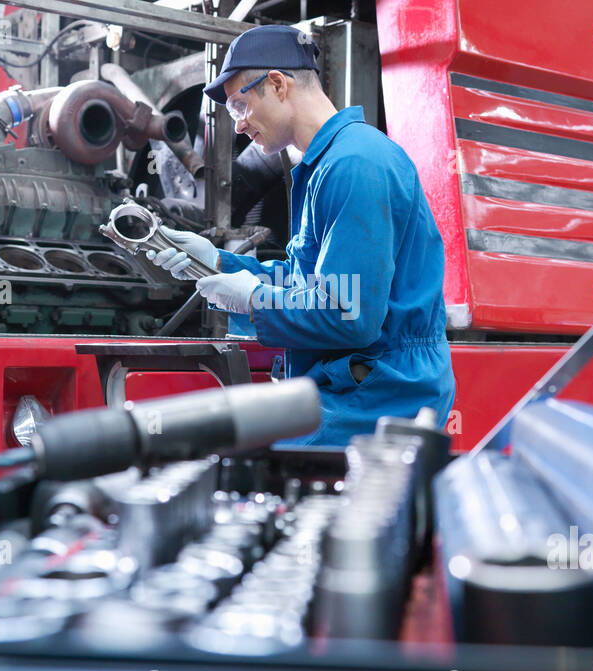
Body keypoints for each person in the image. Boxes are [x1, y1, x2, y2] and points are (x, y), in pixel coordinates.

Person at [147, 24, 455, 446]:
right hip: (356, 387)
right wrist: (217, 261)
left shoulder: (355, 163)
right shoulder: (328, 164)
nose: (238, 126)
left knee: (242, 468)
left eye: (240, 105)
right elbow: (309, 282)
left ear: (277, 84)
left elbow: (348, 316)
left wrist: (255, 301)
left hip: (380, 397)